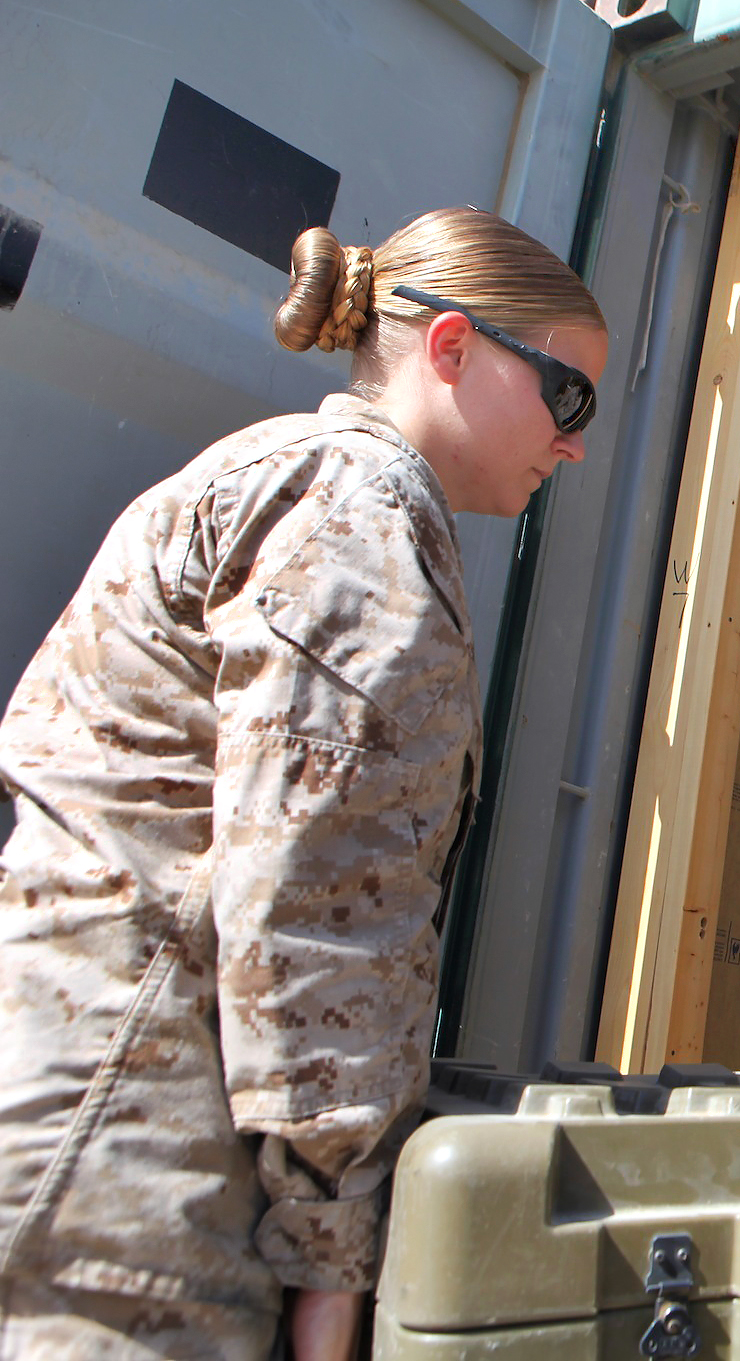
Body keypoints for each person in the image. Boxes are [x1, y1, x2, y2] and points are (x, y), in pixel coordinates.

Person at [0, 208, 607, 1360]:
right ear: (452, 347)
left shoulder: (296, 479)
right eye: (566, 398)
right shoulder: (357, 506)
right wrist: (332, 1253)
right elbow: (322, 892)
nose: (574, 445)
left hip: (93, 1128)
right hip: (136, 1175)